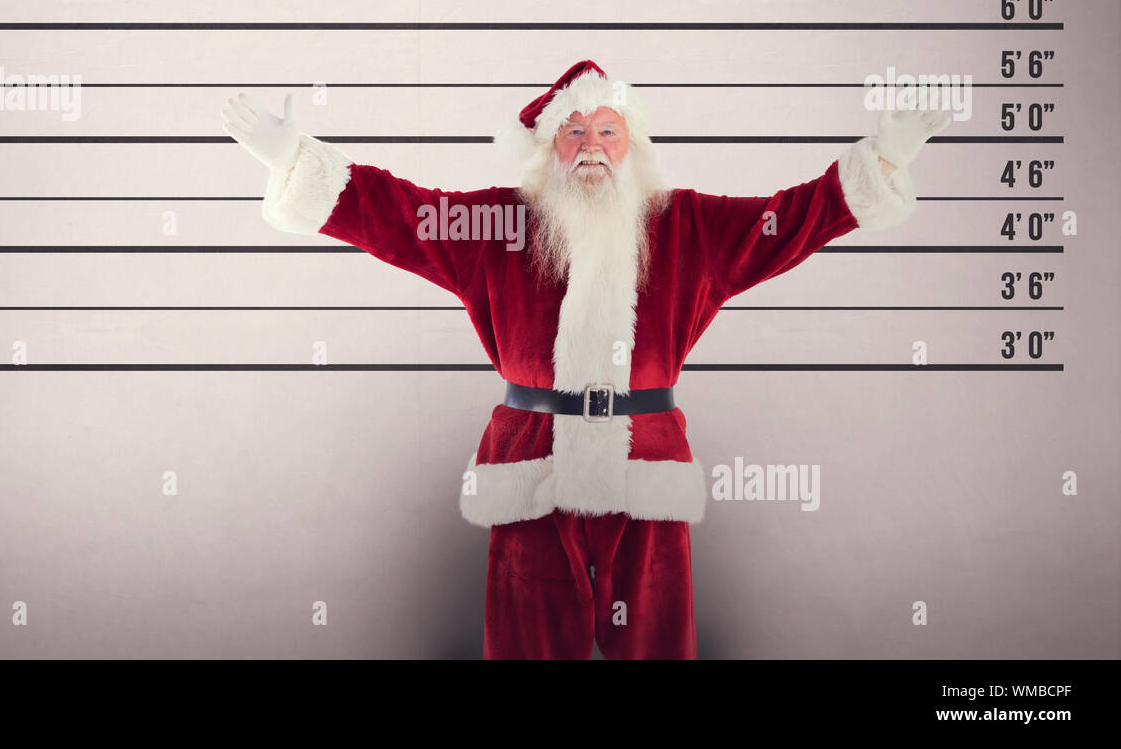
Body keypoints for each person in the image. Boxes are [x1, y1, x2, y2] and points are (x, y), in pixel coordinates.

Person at [221, 59, 951, 659]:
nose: (592, 145)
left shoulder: (686, 227)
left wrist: (882, 160)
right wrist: (298, 160)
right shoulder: (500, 227)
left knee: (657, 645)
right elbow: (402, 217)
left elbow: (788, 221)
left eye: (608, 129)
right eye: (573, 132)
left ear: (633, 146)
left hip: (648, 460)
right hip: (530, 462)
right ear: (548, 149)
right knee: (528, 644)